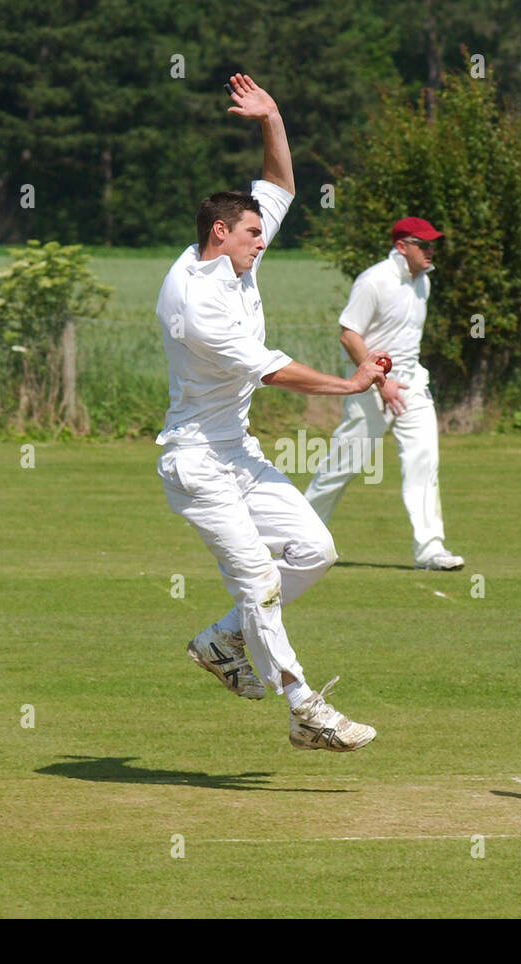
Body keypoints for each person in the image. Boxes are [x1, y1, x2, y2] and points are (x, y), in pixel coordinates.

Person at [155, 74, 386, 751]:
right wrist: (350, 386)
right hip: (195, 461)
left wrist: (273, 117)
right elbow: (277, 370)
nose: (264, 241)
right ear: (221, 233)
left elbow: (279, 185)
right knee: (259, 577)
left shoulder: (233, 253)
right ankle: (303, 705)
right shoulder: (199, 307)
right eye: (253, 234)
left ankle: (223, 640)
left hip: (237, 451)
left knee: (315, 549)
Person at [303, 218, 464, 570]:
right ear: (401, 246)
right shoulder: (374, 280)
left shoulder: (424, 283)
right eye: (423, 244)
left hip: (412, 386)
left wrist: (399, 382)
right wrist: (381, 382)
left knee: (424, 461)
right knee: (343, 466)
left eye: (432, 244)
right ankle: (294, 539)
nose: (430, 251)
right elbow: (349, 335)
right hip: (369, 388)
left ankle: (430, 550)